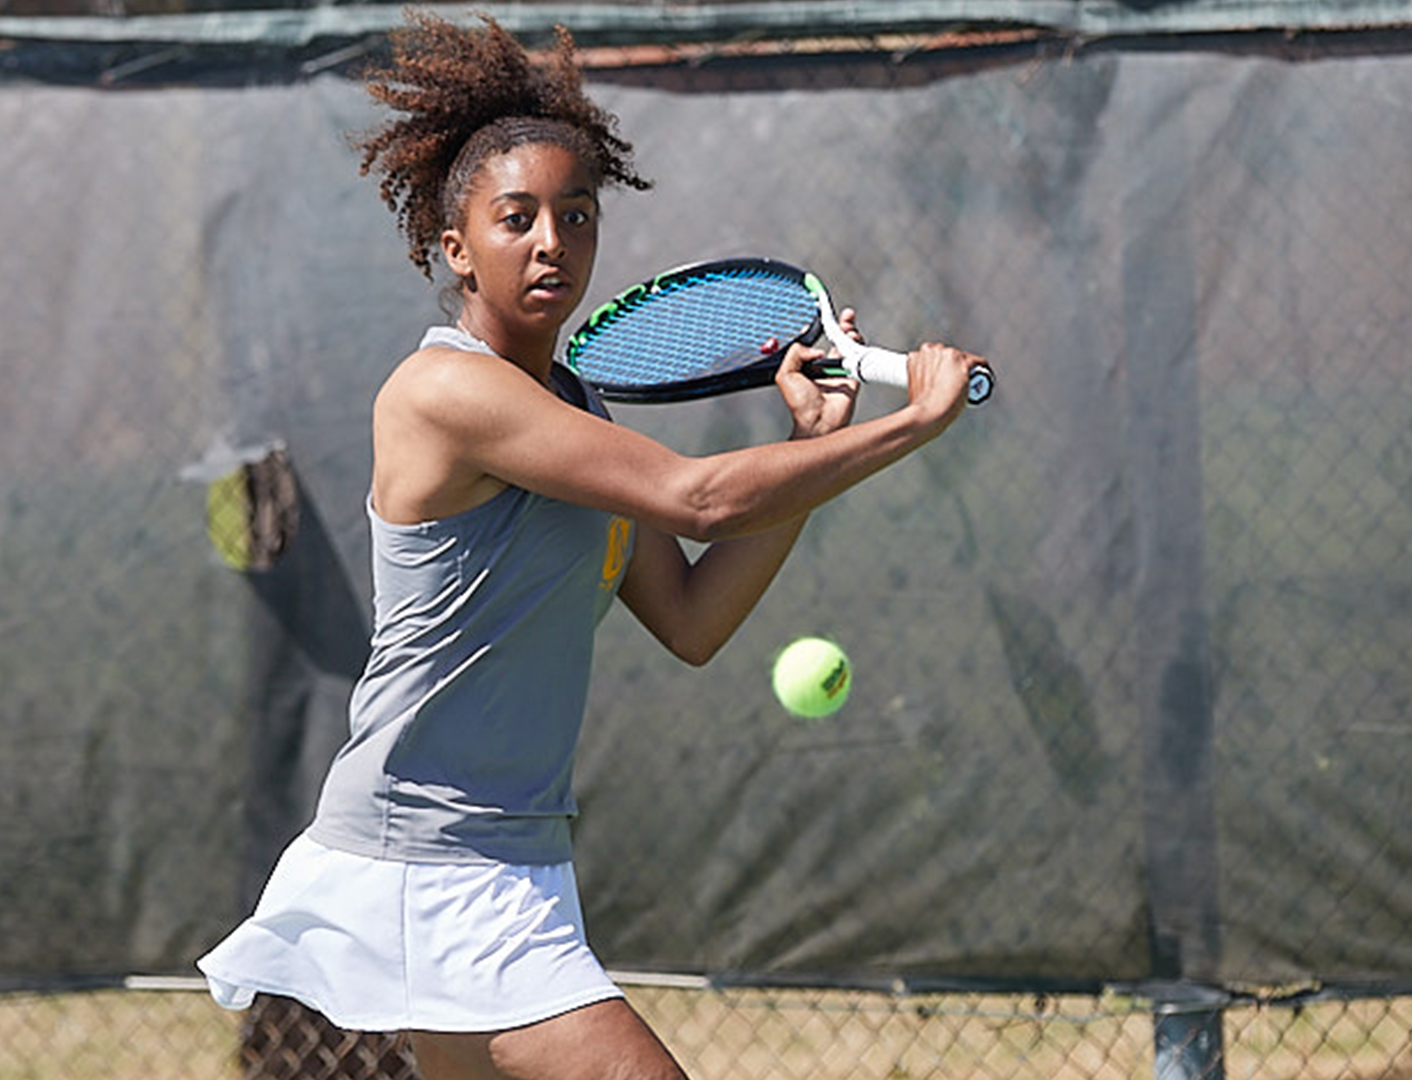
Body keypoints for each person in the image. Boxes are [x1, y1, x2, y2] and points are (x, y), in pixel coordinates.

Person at [197, 12, 988, 1079]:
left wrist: (815, 444)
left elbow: (694, 619)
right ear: (454, 247)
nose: (551, 243)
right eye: (515, 218)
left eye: (575, 216)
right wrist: (913, 424)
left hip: (519, 858)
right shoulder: (443, 393)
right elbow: (699, 496)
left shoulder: (579, 420)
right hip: (428, 859)